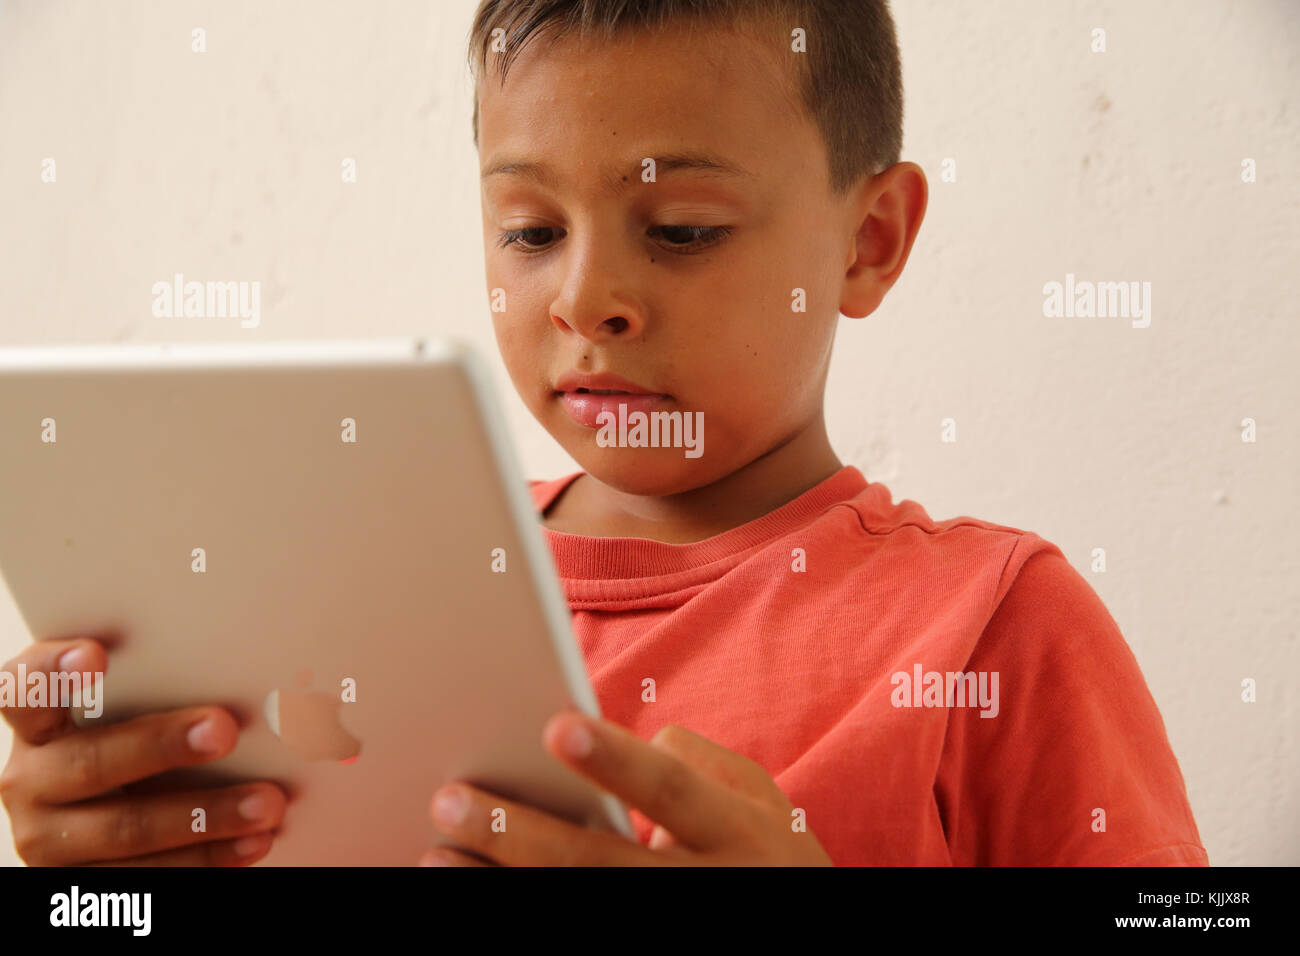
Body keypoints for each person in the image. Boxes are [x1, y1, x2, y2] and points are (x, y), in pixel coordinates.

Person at [0, 0, 1208, 866]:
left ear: (870, 238)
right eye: (529, 231)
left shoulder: (998, 623)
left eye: (680, 227)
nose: (585, 299)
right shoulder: (367, 578)